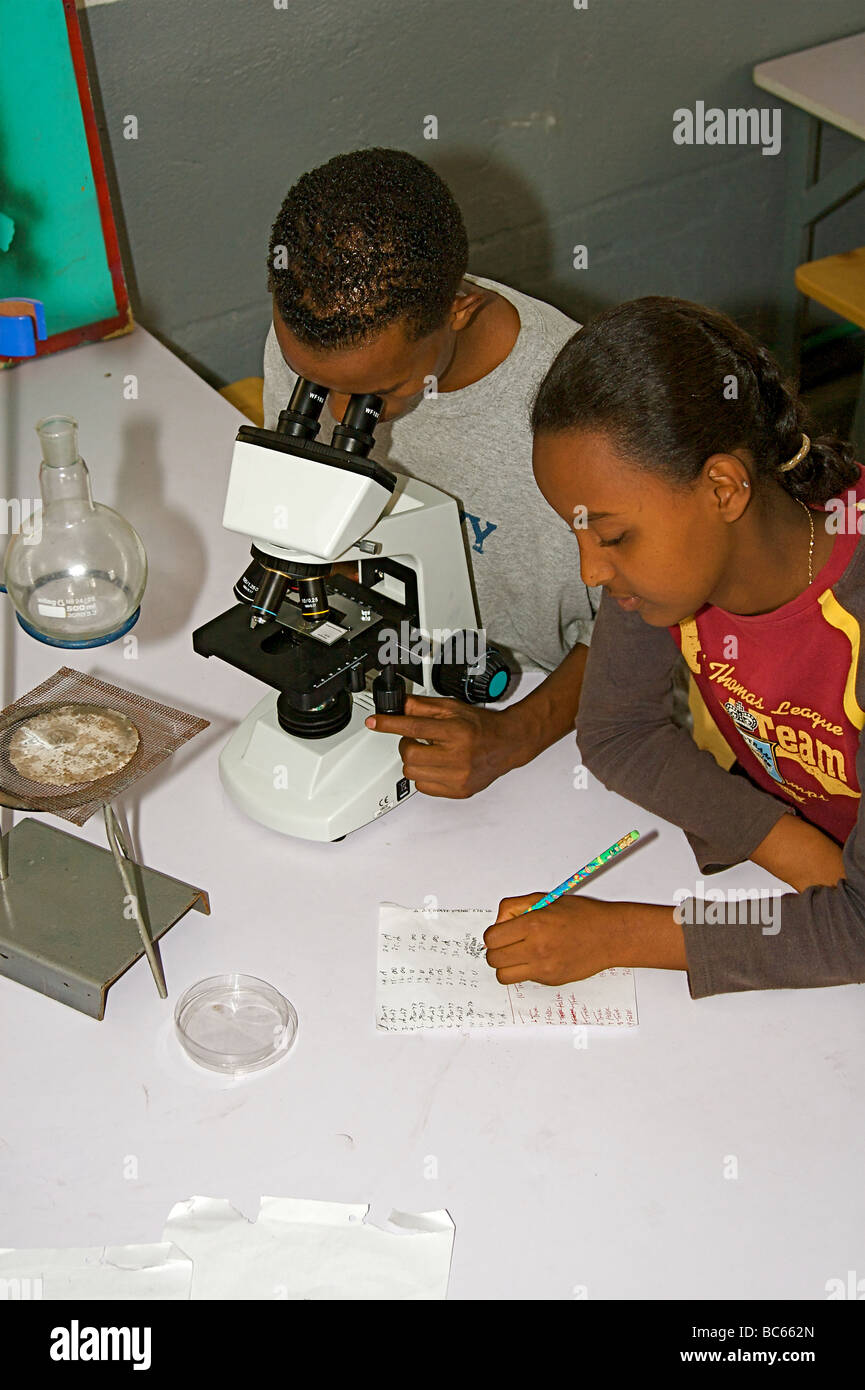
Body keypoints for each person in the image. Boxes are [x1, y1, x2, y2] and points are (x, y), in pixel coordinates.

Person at [485, 296, 865, 998]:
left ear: (722, 487)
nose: (590, 572)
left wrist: (620, 936)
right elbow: (617, 732)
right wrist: (797, 852)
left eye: (611, 536)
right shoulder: (670, 568)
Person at [262, 147, 599, 800]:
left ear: (460, 310)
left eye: (377, 393)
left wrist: (518, 733)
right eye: (314, 383)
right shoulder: (321, 331)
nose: (337, 413)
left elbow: (651, 625)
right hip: (394, 650)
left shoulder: (582, 408)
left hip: (541, 699)